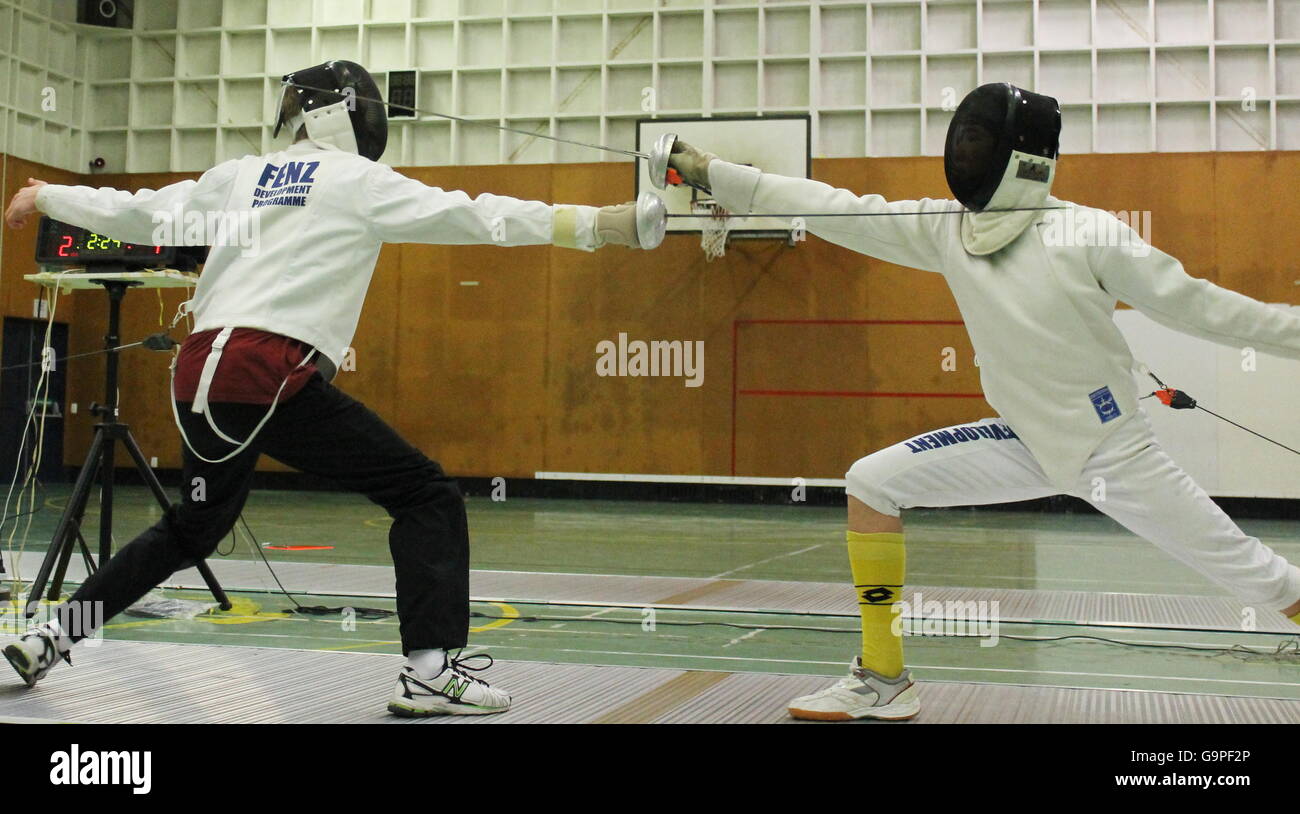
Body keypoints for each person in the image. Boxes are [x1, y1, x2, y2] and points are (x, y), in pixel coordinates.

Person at [2, 60, 664, 717]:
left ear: (306, 113)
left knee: (190, 529)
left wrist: (48, 196)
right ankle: (431, 671)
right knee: (425, 493)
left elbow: (140, 214)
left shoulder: (239, 177)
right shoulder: (358, 181)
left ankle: (51, 635)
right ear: (351, 116)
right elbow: (476, 216)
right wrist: (599, 225)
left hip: (200, 376)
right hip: (264, 375)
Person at [668, 82, 1300, 721]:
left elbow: (1209, 310)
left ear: (1022, 156)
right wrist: (713, 175)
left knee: (1264, 579)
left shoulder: (1088, 234)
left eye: (978, 139)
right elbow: (833, 207)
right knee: (871, 484)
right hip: (1020, 441)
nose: (965, 152)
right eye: (963, 138)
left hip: (1112, 451)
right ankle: (884, 680)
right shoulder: (948, 229)